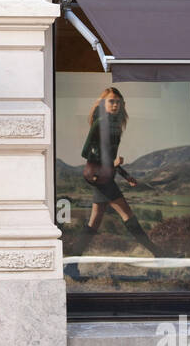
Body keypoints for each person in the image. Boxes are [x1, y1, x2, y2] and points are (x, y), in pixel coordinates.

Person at [65, 87, 164, 280]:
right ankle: (158, 253)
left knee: (94, 223)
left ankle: (71, 265)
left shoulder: (115, 125)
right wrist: (111, 163)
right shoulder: (101, 123)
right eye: (111, 101)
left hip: (104, 177)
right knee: (128, 216)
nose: (115, 104)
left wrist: (125, 175)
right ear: (103, 104)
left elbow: (109, 159)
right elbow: (86, 152)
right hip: (101, 178)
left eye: (118, 101)